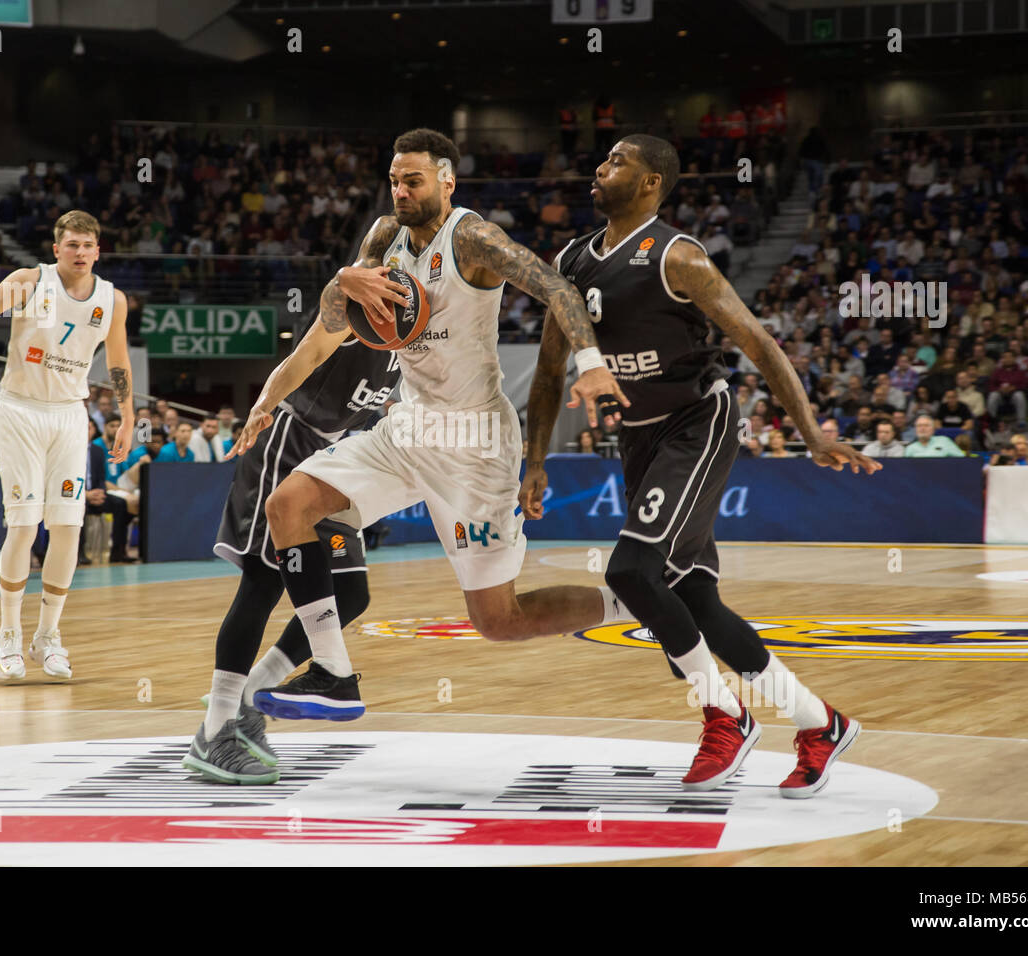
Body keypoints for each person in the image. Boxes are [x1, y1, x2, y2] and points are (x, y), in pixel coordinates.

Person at [524, 135, 880, 798]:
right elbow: (548, 370)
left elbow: (759, 342)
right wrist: (535, 458)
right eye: (600, 157)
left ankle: (725, 715)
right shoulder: (570, 261)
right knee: (693, 601)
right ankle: (819, 723)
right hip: (637, 439)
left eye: (618, 160)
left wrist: (808, 430)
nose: (601, 167)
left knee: (631, 570)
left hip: (698, 423)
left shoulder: (677, 256)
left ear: (653, 182)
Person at [233, 128, 627, 725]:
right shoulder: (384, 236)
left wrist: (592, 365)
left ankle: (635, 600)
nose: (401, 191)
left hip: (474, 443)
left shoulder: (472, 238)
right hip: (407, 427)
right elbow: (327, 331)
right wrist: (269, 394)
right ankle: (334, 674)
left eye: (413, 180)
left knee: (499, 621)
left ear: (447, 180)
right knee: (289, 504)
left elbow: (554, 285)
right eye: (394, 180)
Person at [184, 336, 403, 784]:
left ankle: (252, 695)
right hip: (290, 439)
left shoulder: (421, 309)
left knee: (350, 592)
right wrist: (263, 403)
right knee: (263, 583)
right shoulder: (356, 290)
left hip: (341, 453)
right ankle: (216, 730)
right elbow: (306, 353)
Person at [0, 209, 135, 682]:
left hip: (70, 415)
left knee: (68, 524)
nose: (81, 253)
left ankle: (47, 635)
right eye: (72, 245)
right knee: (24, 524)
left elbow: (118, 361)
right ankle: (8, 634)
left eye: (89, 246)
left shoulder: (112, 299)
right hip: (21, 410)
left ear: (98, 249)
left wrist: (127, 418)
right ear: (56, 249)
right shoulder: (29, 281)